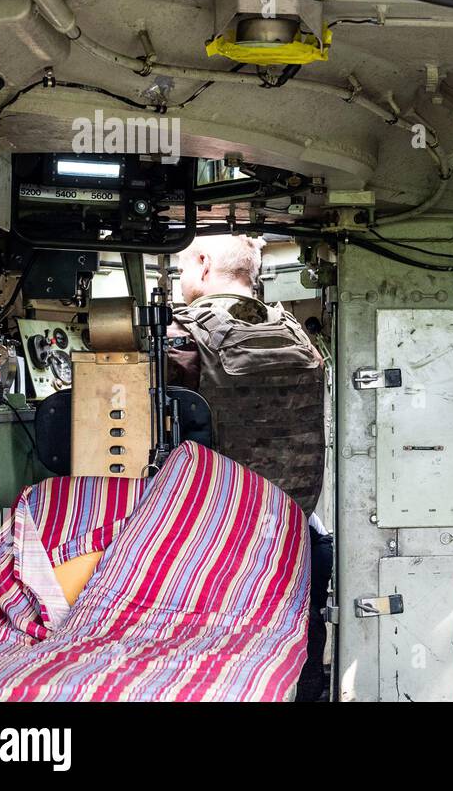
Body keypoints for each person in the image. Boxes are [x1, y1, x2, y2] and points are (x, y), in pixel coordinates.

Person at [166, 234, 332, 700]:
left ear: (202, 264)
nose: (181, 281)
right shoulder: (294, 330)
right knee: (297, 645)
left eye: (181, 268)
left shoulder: (183, 336)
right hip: (296, 529)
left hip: (214, 539)